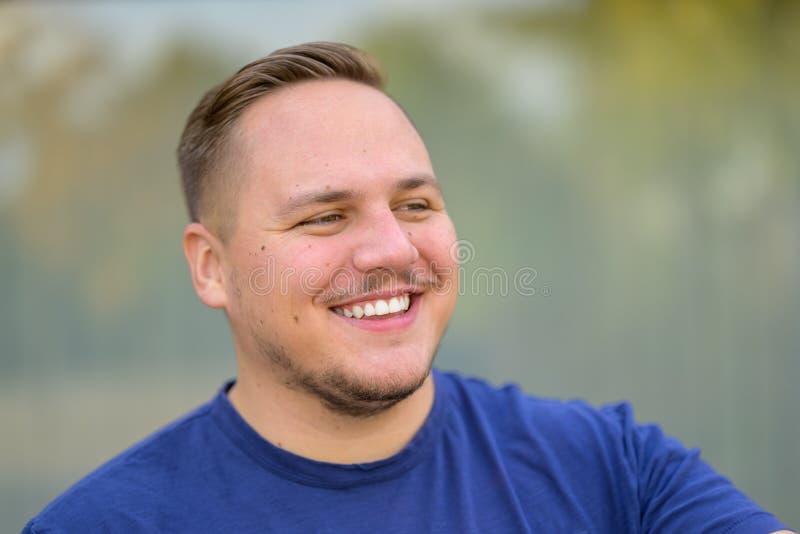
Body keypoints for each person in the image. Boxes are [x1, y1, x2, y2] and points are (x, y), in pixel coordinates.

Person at [23, 42, 792, 534]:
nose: (393, 249)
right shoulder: (106, 524)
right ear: (210, 267)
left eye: (415, 205)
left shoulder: (610, 476)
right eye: (325, 217)